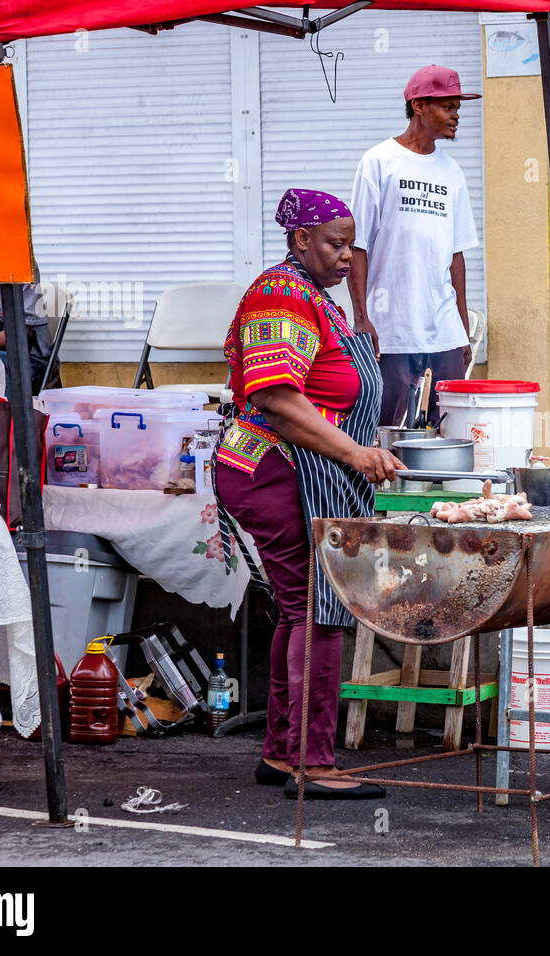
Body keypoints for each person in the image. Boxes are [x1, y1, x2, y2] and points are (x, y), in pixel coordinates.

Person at [215, 188, 404, 798]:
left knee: (300, 607)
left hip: (299, 470)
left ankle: (280, 754)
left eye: (351, 245)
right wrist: (358, 454)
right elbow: (275, 396)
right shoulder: (280, 294)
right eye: (335, 244)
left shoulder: (314, 299)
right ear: (301, 241)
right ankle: (311, 762)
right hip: (273, 469)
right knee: (319, 609)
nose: (347, 256)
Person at [348, 64, 481, 427]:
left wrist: (462, 324)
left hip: (444, 331)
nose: (456, 116)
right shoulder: (379, 162)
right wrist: (361, 318)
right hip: (391, 329)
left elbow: (457, 254)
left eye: (457, 107)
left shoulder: (452, 171)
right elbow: (357, 247)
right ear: (419, 106)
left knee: (444, 429)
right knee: (389, 430)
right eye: (448, 106)